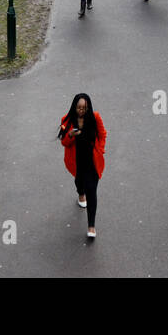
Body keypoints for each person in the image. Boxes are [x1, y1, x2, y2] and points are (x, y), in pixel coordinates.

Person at [58, 93, 107, 239]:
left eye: (84, 108)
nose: (81, 110)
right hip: (77, 162)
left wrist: (101, 149)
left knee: (92, 191)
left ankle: (91, 226)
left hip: (92, 163)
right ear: (74, 107)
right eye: (79, 108)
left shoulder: (95, 117)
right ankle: (80, 193)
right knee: (79, 183)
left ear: (88, 107)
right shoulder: (66, 120)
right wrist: (71, 136)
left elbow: (103, 134)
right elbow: (64, 142)